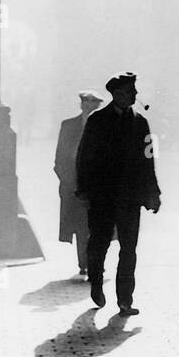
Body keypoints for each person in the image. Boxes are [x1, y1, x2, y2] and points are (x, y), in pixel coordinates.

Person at [75, 73, 161, 316]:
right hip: (102, 196)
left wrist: (153, 192)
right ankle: (96, 282)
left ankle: (125, 299)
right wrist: (83, 189)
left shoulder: (141, 123)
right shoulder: (97, 121)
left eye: (134, 91)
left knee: (129, 248)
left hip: (130, 197)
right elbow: (84, 157)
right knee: (99, 243)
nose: (134, 95)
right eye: (130, 91)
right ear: (117, 94)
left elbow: (148, 160)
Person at [54, 91, 103, 276]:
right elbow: (60, 158)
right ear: (81, 105)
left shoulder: (105, 127)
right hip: (74, 185)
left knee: (98, 226)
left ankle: (95, 261)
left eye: (93, 104)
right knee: (81, 226)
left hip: (98, 186)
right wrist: (69, 182)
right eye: (86, 103)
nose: (88, 107)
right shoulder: (68, 126)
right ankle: (85, 262)